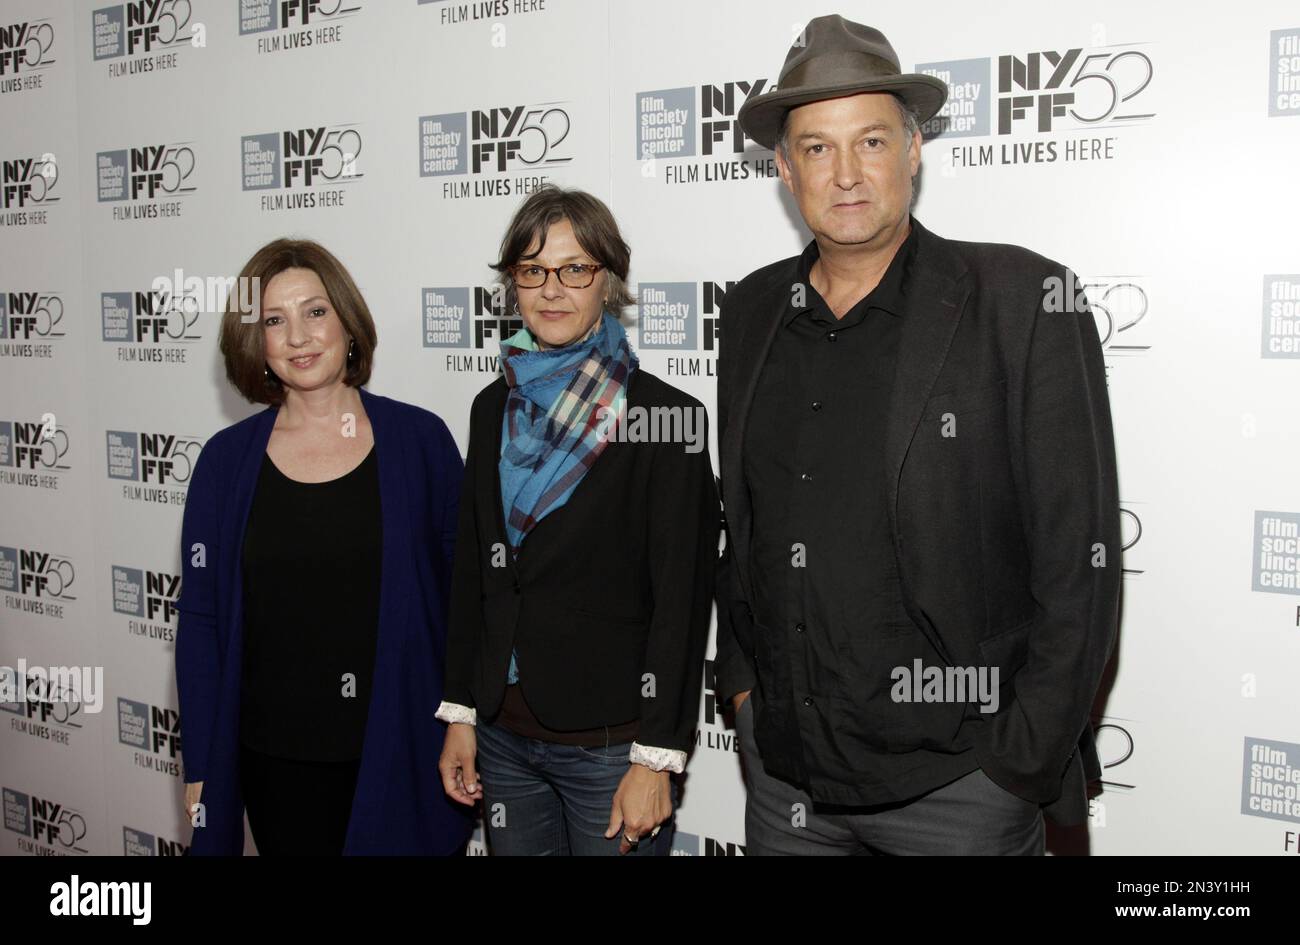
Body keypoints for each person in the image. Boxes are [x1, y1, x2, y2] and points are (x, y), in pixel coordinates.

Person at [714, 15, 1122, 855]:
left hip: (960, 787)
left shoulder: (1023, 302)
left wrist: (1016, 764)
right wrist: (746, 699)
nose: (848, 173)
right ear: (786, 169)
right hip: (788, 783)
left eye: (871, 139)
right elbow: (743, 527)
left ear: (914, 148)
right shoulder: (752, 310)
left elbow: (1077, 565)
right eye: (818, 149)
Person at [436, 185, 719, 855]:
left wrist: (656, 757)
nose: (552, 289)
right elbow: (476, 570)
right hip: (502, 737)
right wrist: (462, 713)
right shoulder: (489, 407)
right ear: (513, 283)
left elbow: (682, 595)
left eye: (574, 269)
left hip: (612, 746)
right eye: (532, 270)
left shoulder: (664, 416)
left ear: (607, 279)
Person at [175, 238, 474, 855]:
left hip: (402, 747)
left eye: (315, 312)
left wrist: (463, 721)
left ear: (348, 321)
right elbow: (202, 623)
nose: (299, 337)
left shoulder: (420, 442)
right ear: (254, 342)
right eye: (274, 321)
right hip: (275, 761)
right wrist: (203, 763)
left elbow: (465, 600)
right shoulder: (225, 464)